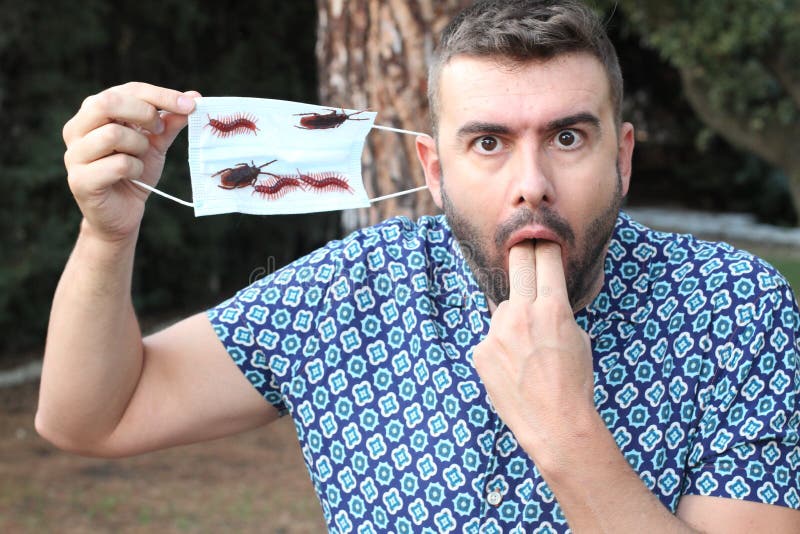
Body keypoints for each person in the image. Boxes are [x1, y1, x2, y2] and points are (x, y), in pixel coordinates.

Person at [37, 0, 799, 531]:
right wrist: (108, 240)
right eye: (489, 143)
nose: (531, 182)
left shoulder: (736, 308)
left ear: (621, 157)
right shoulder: (348, 292)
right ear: (434, 169)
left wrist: (565, 428)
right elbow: (92, 417)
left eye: (568, 138)